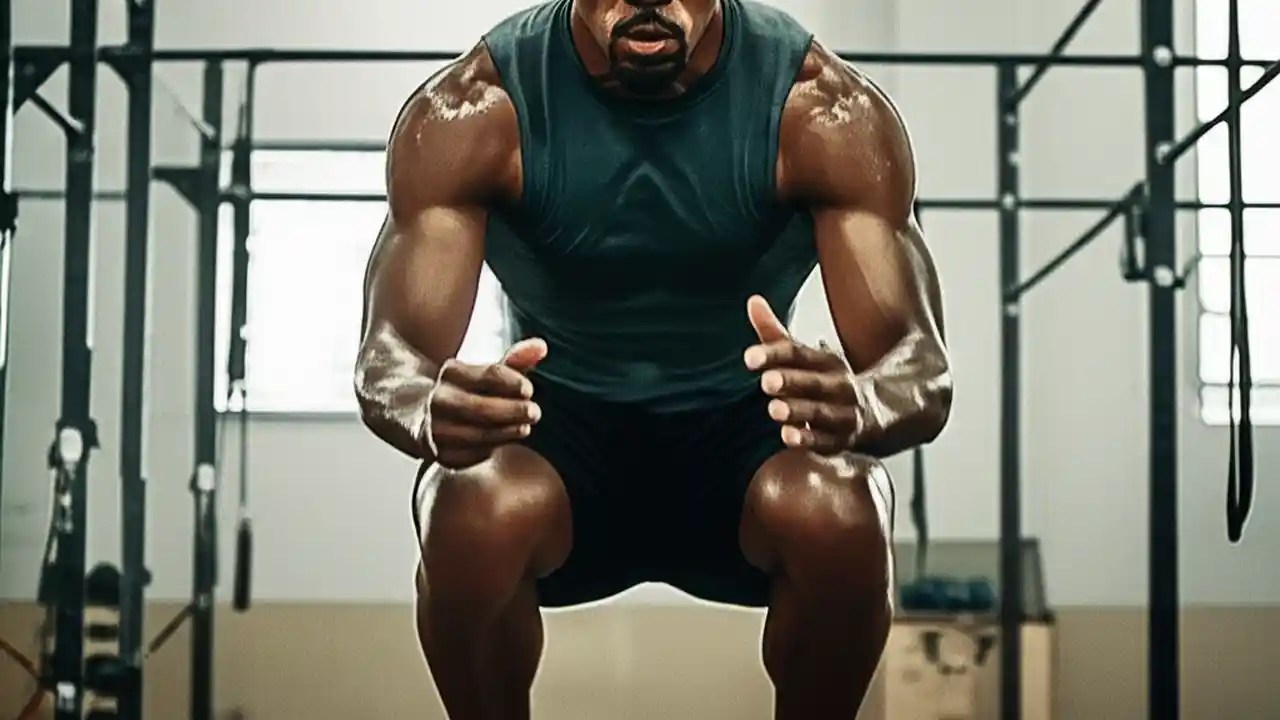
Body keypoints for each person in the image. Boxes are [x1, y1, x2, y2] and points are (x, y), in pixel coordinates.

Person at [354, 0, 952, 717]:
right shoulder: (475, 112)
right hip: (556, 436)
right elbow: (389, 357)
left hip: (747, 435)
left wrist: (863, 402)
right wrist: (426, 406)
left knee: (845, 507)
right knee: (463, 504)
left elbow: (920, 366)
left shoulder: (822, 112)